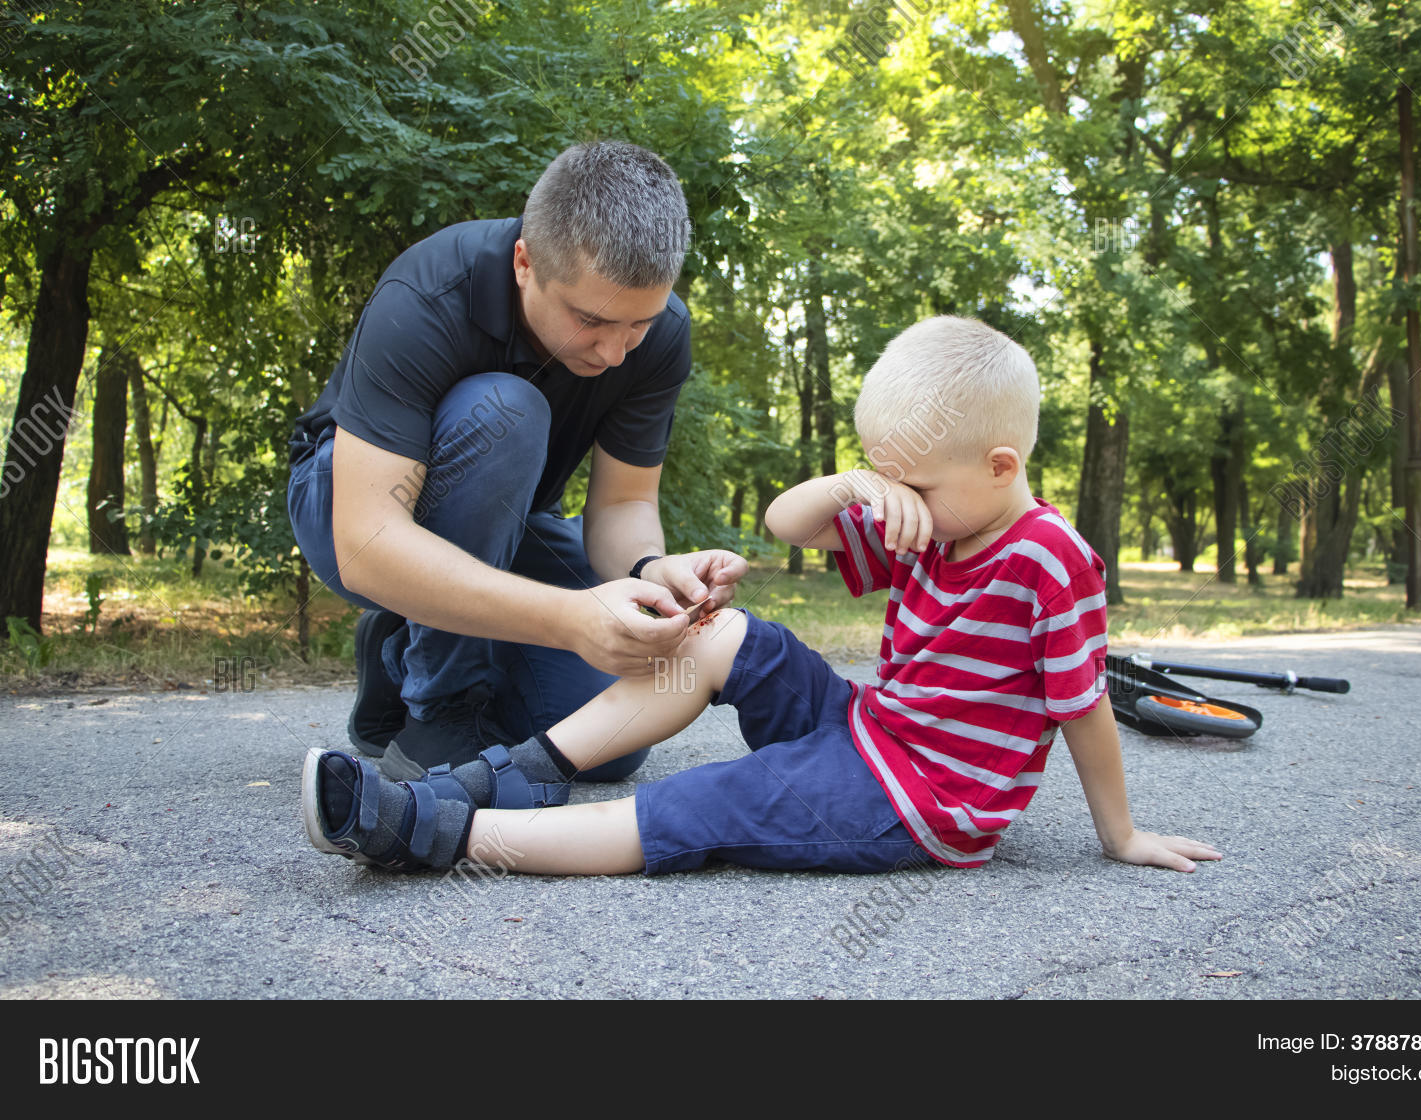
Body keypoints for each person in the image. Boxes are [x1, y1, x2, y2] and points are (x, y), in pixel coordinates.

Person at [300, 316, 1222, 878]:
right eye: (888, 486)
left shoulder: (1049, 560)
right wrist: (862, 486)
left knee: (709, 803)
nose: (901, 508)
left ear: (1001, 467)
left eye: (916, 488)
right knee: (724, 633)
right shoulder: (931, 519)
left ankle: (440, 834)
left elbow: (1083, 708)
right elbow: (791, 522)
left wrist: (1123, 833)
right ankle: (521, 773)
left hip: (918, 798)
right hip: (868, 728)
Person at [285, 140, 746, 791]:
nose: (615, 352)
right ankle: (442, 705)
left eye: (637, 325)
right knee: (506, 411)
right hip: (344, 505)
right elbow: (366, 540)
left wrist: (652, 570)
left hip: (510, 523)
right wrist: (569, 620)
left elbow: (621, 506)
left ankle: (400, 650)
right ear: (525, 263)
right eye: (589, 320)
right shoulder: (427, 296)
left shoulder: (661, 333)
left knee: (606, 744)